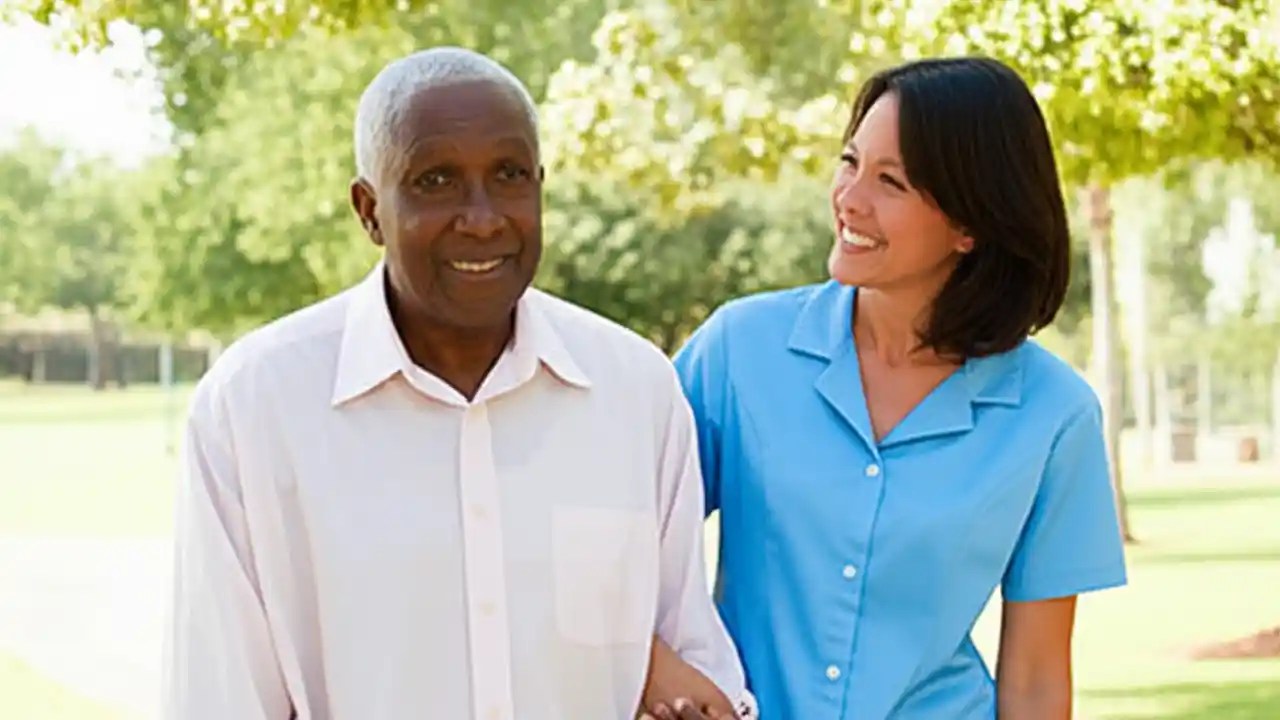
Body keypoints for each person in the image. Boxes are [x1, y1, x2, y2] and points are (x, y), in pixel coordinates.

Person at [162, 47, 754, 720]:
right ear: (368, 210)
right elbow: (217, 694)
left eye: (508, 175)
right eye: (435, 180)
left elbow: (689, 657)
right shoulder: (255, 405)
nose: (481, 217)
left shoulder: (634, 390)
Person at [652, 57, 1129, 718]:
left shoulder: (1054, 416)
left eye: (891, 181)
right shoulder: (739, 351)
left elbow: (1038, 678)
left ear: (971, 225)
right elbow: (617, 538)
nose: (849, 199)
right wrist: (660, 670)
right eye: (850, 163)